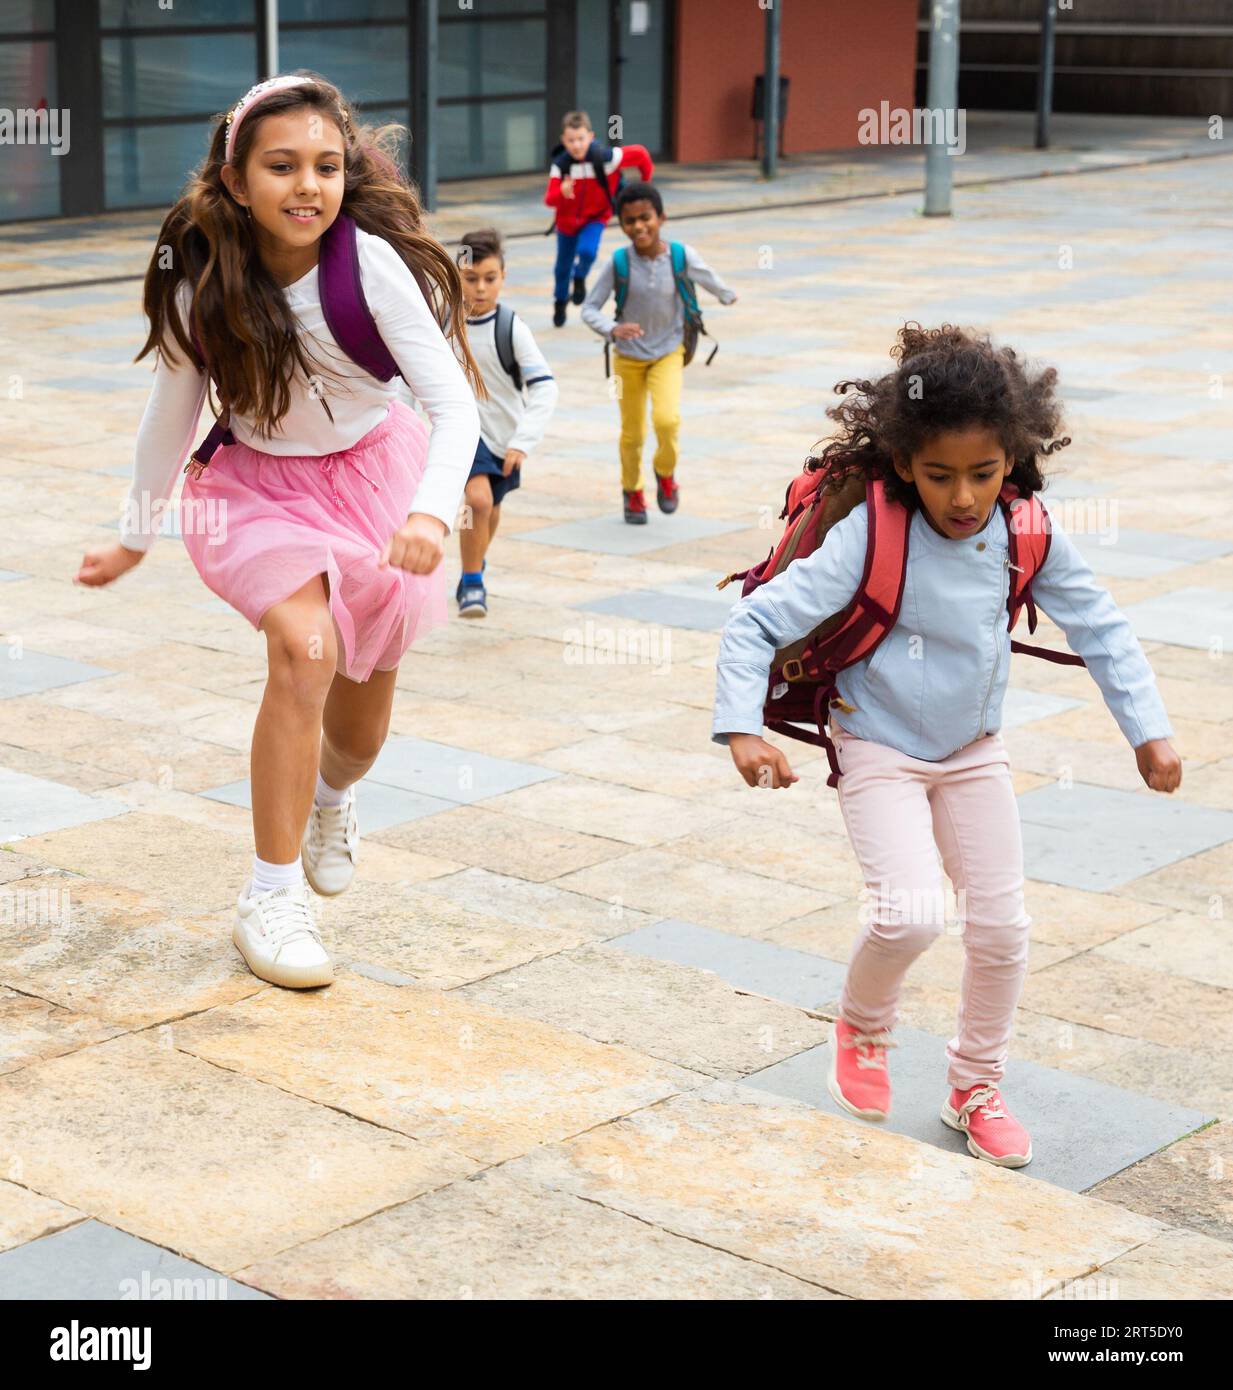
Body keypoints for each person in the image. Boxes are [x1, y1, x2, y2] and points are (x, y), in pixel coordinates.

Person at [711, 322, 1182, 1168]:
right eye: (938, 475)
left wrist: (1147, 730)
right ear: (901, 464)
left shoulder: (1027, 529)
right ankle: (861, 1029)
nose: (962, 497)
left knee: (1002, 930)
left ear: (1013, 460)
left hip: (973, 750)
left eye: (983, 473)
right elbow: (755, 622)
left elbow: (1103, 627)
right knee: (910, 913)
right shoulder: (873, 532)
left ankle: (974, 1086)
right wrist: (741, 727)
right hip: (876, 744)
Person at [73, 72, 481, 991]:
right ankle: (270, 892)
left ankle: (333, 798)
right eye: (282, 166)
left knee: (362, 731)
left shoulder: (369, 266)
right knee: (304, 649)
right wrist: (135, 534)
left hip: (378, 484)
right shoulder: (204, 281)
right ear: (235, 178)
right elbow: (168, 416)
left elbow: (453, 405)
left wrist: (426, 509)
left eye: (327, 167)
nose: (308, 186)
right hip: (255, 489)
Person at [581, 181, 737, 523]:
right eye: (629, 221)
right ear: (621, 225)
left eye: (645, 217)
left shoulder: (680, 256)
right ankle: (632, 491)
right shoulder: (618, 263)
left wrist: (727, 294)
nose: (638, 226)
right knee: (632, 432)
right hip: (627, 358)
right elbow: (589, 308)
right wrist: (612, 328)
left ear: (661, 217)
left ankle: (665, 475)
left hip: (668, 352)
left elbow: (707, 277)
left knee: (667, 420)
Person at [454, 227, 558, 617]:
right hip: (461, 431)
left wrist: (523, 441)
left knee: (490, 507)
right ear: (457, 277)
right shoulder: (442, 325)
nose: (480, 288)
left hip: (506, 435)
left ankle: (474, 564)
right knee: (476, 500)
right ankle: (472, 584)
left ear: (503, 277)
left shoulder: (511, 328)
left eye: (490, 279)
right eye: (471, 279)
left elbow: (545, 387)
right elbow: (412, 380)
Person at [544, 109, 653, 327]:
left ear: (591, 137)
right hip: (566, 223)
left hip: (595, 217)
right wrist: (561, 193)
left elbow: (641, 154)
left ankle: (580, 276)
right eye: (571, 140)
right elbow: (549, 200)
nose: (576, 145)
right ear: (563, 141)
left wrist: (645, 184)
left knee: (587, 251)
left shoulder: (607, 158)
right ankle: (559, 302)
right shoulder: (561, 165)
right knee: (561, 266)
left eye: (581, 139)